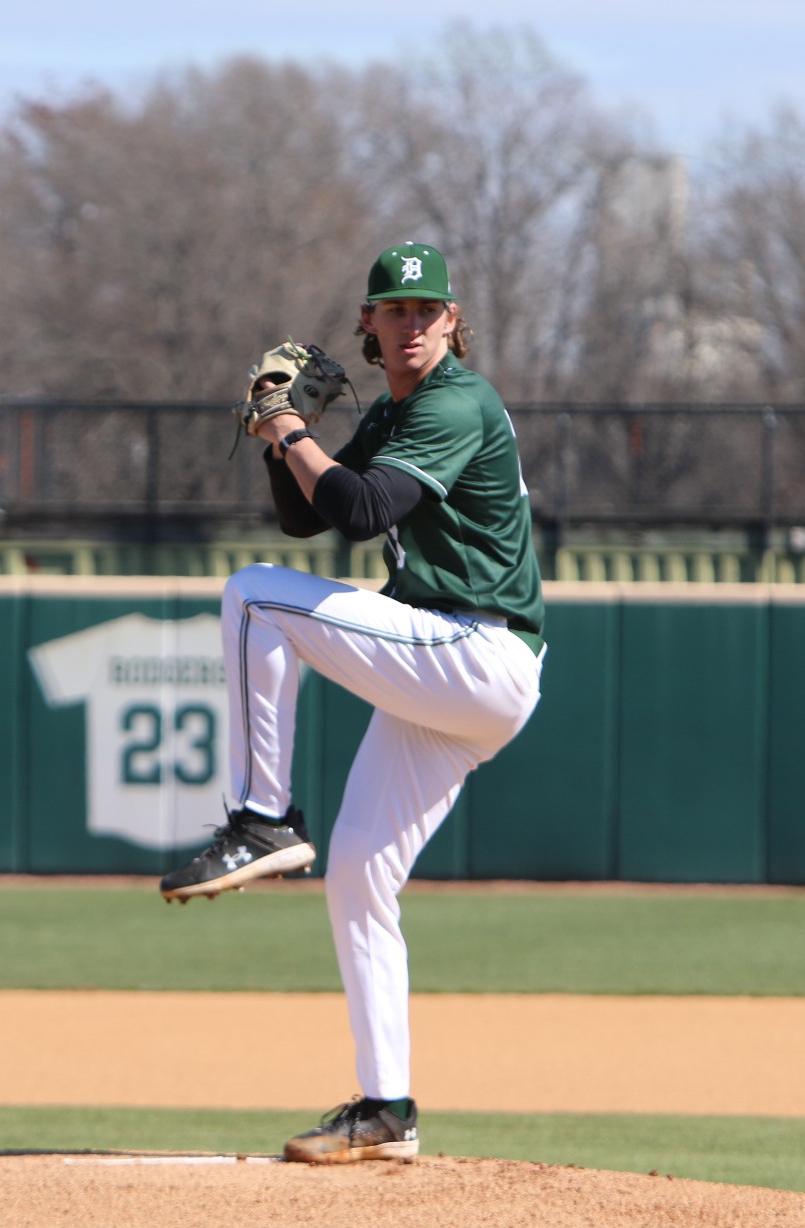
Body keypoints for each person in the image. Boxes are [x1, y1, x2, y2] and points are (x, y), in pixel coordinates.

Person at [159, 242, 546, 1164]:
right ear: (368, 324)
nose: (411, 325)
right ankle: (387, 1110)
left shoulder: (457, 400)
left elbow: (367, 510)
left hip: (478, 647)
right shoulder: (392, 413)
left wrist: (291, 426)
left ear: (453, 320)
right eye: (394, 310)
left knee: (254, 594)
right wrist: (279, 433)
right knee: (360, 878)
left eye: (426, 309)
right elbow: (309, 515)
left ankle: (260, 818)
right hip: (445, 671)